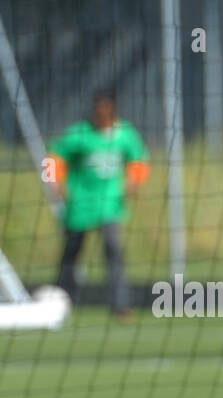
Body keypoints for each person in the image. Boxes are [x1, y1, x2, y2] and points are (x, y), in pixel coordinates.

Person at [48, 90, 149, 322]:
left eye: (105, 109)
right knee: (70, 256)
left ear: (112, 110)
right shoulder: (79, 134)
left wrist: (134, 183)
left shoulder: (125, 135)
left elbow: (140, 160)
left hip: (110, 205)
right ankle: (62, 304)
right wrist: (55, 182)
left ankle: (120, 306)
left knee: (113, 252)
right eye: (97, 110)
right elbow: (52, 158)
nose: (101, 114)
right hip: (80, 206)